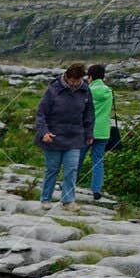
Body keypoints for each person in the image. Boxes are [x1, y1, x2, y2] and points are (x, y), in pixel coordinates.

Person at [35, 62, 95, 207]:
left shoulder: (85, 90)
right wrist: (44, 132)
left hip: (75, 137)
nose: (75, 84)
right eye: (72, 80)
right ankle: (46, 199)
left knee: (72, 169)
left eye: (78, 80)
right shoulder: (53, 89)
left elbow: (89, 114)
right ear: (66, 77)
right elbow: (41, 113)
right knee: (52, 169)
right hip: (53, 137)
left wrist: (89, 134)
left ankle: (68, 200)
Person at [79, 63, 114, 201]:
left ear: (90, 76)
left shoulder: (88, 90)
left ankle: (68, 185)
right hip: (104, 130)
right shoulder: (109, 91)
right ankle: (96, 190)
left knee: (77, 159)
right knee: (98, 161)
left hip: (88, 130)